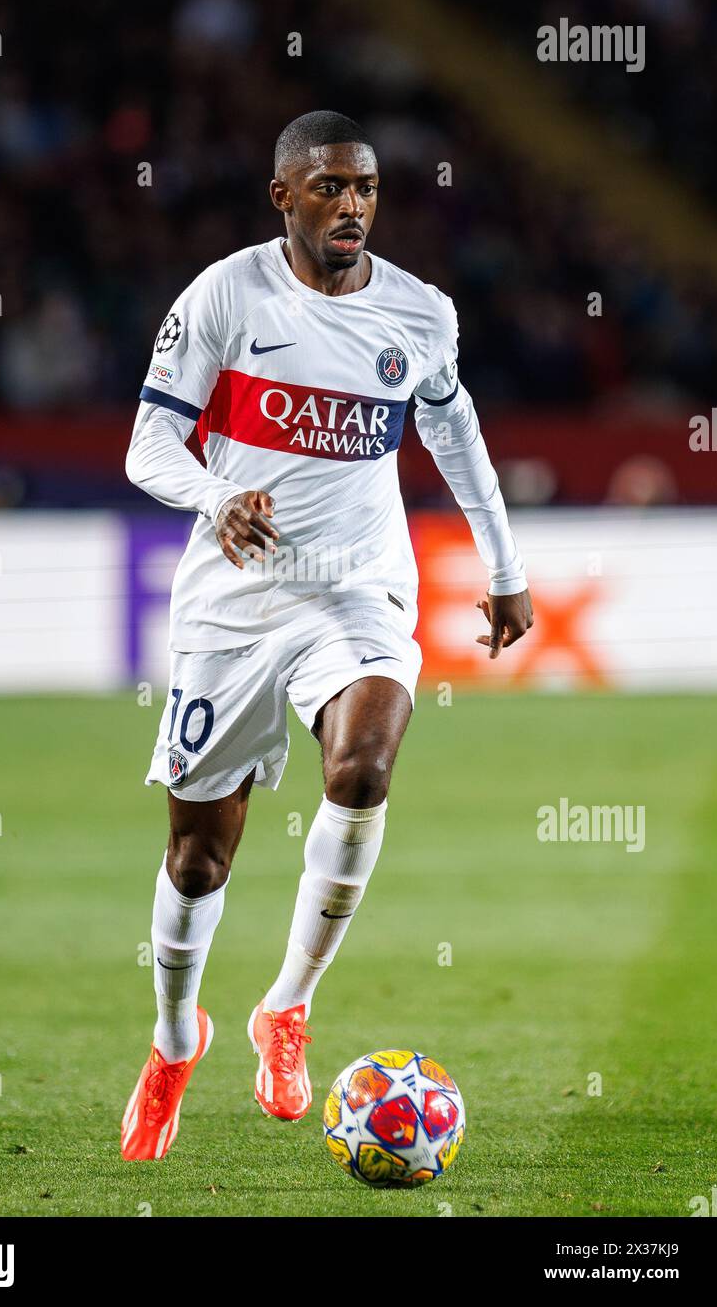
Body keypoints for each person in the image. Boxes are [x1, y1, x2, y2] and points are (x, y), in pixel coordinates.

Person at [120, 110, 533, 1161]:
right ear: (284, 197)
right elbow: (146, 445)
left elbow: (456, 434)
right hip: (235, 598)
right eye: (328, 187)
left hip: (357, 591)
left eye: (364, 188)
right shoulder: (225, 294)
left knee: (360, 768)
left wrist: (503, 569)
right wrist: (216, 497)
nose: (350, 205)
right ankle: (176, 1039)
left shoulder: (418, 314)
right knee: (199, 857)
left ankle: (287, 1005)